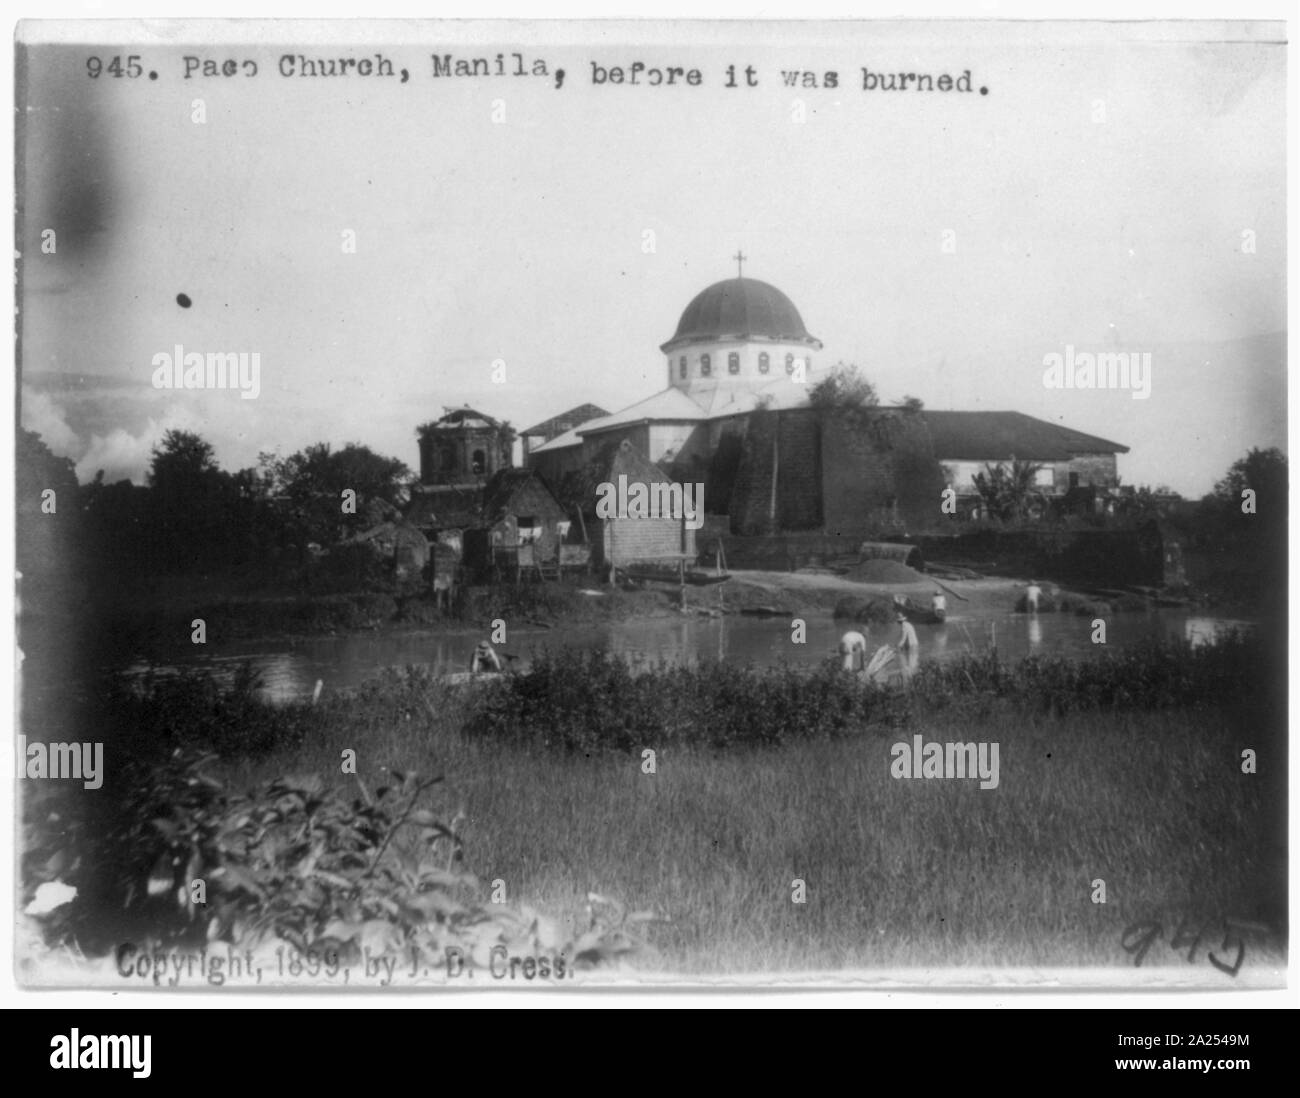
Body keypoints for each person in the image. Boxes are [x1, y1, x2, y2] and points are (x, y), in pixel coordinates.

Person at [895, 611, 920, 681]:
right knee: (913, 663)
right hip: (915, 645)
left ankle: (911, 678)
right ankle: (914, 677)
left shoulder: (904, 626)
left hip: (912, 646)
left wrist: (898, 646)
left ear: (899, 621)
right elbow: (901, 637)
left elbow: (903, 638)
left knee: (911, 663)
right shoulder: (908, 624)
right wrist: (898, 644)